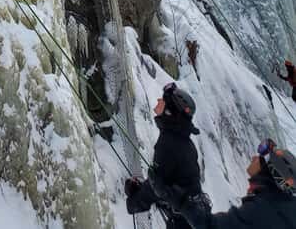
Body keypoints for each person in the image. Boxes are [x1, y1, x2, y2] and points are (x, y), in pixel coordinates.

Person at [151, 139, 296, 227]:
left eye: (263, 158)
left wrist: (180, 200)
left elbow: (210, 227)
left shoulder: (261, 211)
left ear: (270, 171)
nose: (254, 157)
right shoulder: (285, 207)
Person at [125, 82, 208, 228]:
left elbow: (155, 188)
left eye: (162, 100)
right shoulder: (183, 142)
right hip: (193, 218)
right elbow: (164, 183)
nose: (158, 101)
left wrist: (133, 201)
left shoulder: (168, 143)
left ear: (169, 111)